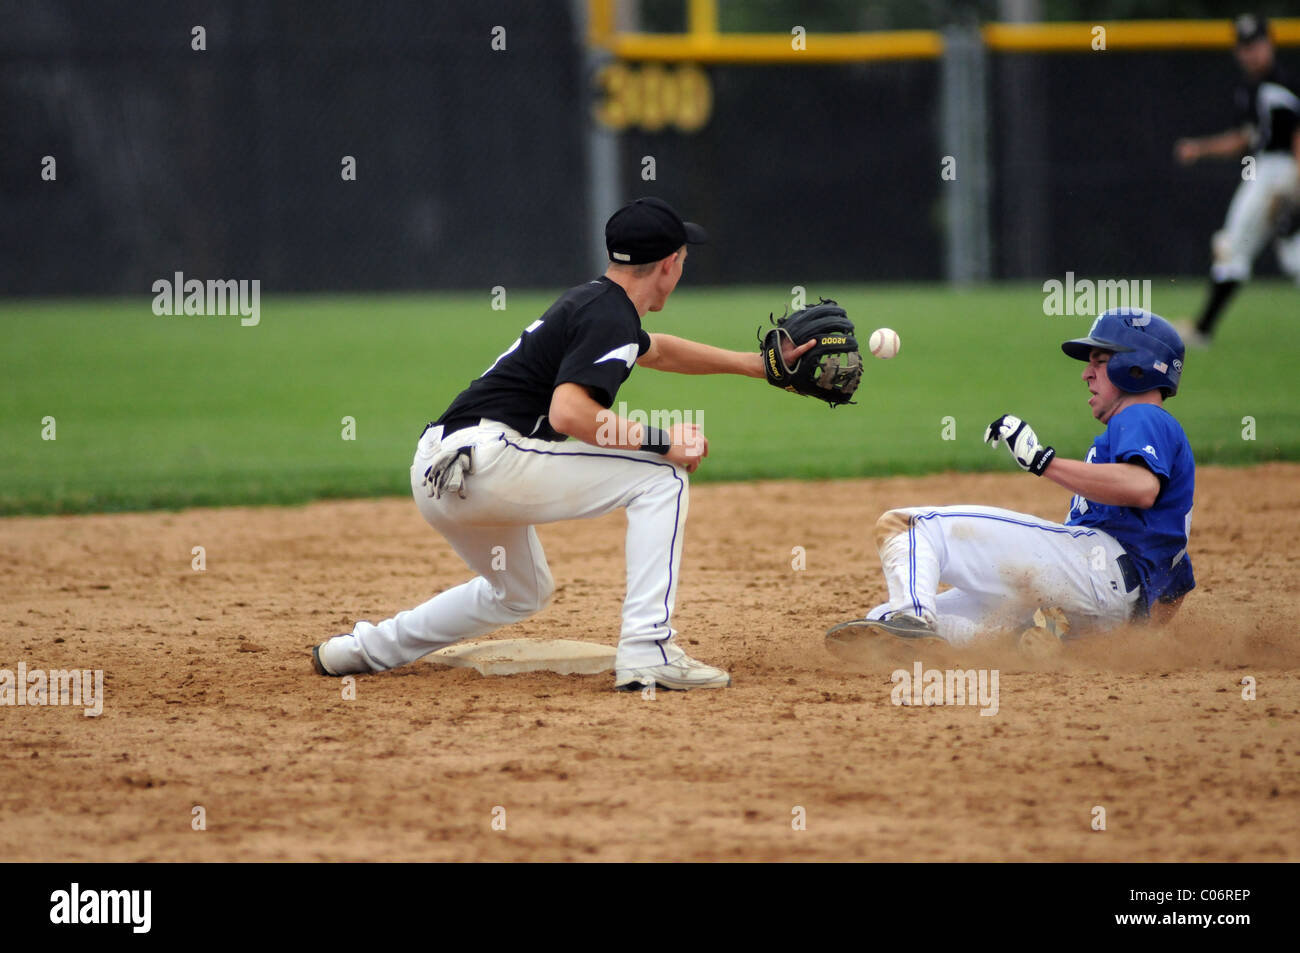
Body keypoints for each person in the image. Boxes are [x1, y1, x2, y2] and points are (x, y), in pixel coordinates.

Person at [312, 197, 813, 691]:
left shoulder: (595, 303)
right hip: (490, 462)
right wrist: (664, 442)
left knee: (520, 593)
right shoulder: (609, 317)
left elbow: (656, 351)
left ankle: (359, 650)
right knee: (662, 478)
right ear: (668, 265)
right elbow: (569, 413)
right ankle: (647, 650)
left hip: (438, 470)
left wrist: (757, 364)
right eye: (683, 257)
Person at [826, 309, 1195, 657]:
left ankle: (915, 625)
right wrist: (1128, 641)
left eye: (1100, 361)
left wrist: (1042, 461)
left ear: (1136, 368)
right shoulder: (1150, 431)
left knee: (909, 527)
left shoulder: (1144, 415)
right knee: (880, 621)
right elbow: (1176, 583)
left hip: (1096, 571)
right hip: (1101, 604)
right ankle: (1024, 645)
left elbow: (1142, 488)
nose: (1087, 374)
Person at [1174, 14, 1300, 347]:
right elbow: (1242, 140)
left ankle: (1202, 330)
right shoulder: (1249, 90)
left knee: (1233, 246)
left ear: (1269, 44)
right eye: (1244, 47)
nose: (1250, 53)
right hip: (1265, 166)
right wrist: (1200, 148)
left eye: (1256, 45)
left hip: (1282, 169)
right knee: (1292, 255)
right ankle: (1202, 328)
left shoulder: (1282, 85)